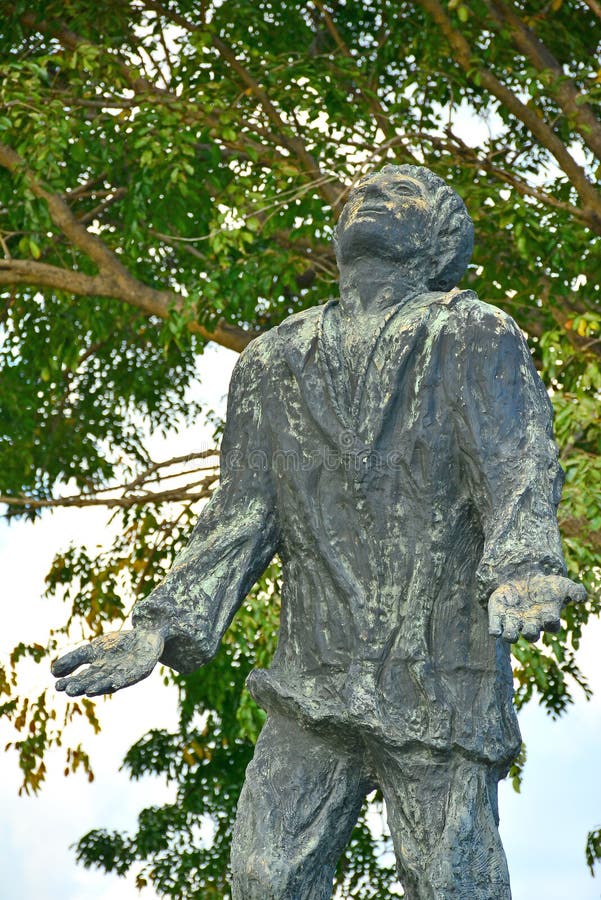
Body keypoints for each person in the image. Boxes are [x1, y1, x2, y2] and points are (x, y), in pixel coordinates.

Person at [52, 165, 585, 900]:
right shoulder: (273, 359)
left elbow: (515, 465)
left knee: (451, 882)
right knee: (264, 880)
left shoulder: (471, 334)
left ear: (438, 240)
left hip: (436, 675)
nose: (365, 198)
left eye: (399, 195)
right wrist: (159, 625)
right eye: (355, 195)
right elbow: (239, 518)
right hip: (312, 681)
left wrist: (524, 566)